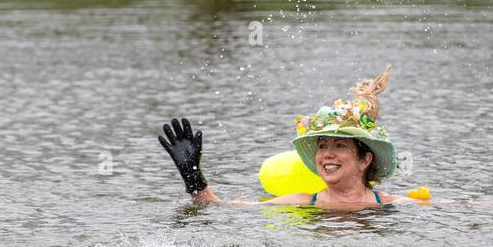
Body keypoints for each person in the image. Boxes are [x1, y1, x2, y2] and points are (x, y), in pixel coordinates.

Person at [159, 66, 418, 210]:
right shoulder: (303, 202)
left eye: (339, 145)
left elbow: (453, 207)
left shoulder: (390, 205)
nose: (327, 153)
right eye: (322, 145)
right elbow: (218, 207)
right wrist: (192, 176)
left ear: (365, 160)